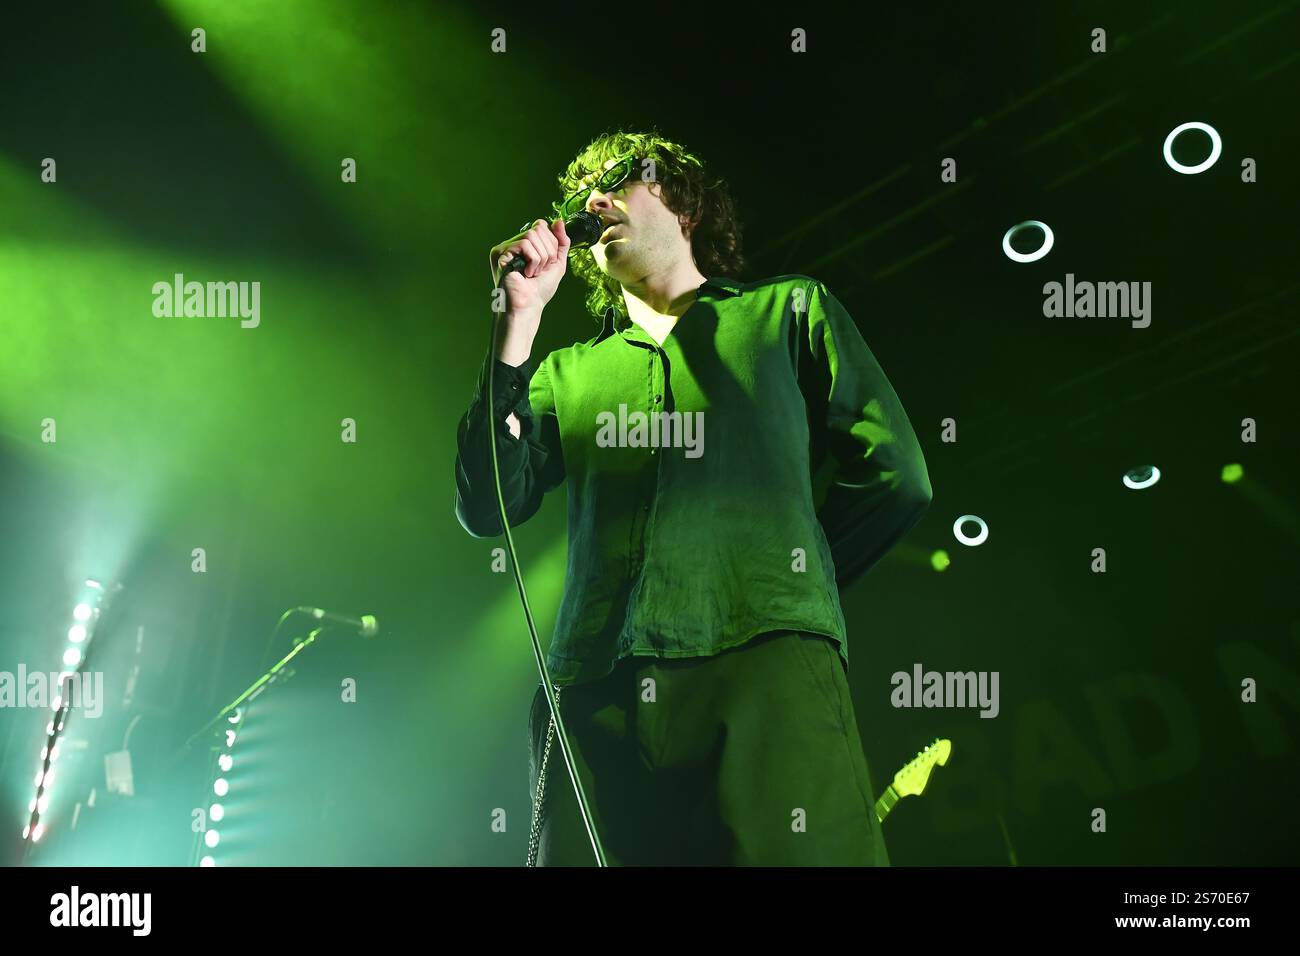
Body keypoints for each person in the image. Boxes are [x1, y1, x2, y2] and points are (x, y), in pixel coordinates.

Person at [454, 130, 932, 865]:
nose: (593, 200)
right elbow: (488, 506)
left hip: (763, 672)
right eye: (580, 196)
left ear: (685, 206)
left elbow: (897, 471)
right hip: (592, 694)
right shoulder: (564, 372)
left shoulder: (788, 313)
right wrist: (515, 325)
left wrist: (787, 583)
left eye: (618, 178)